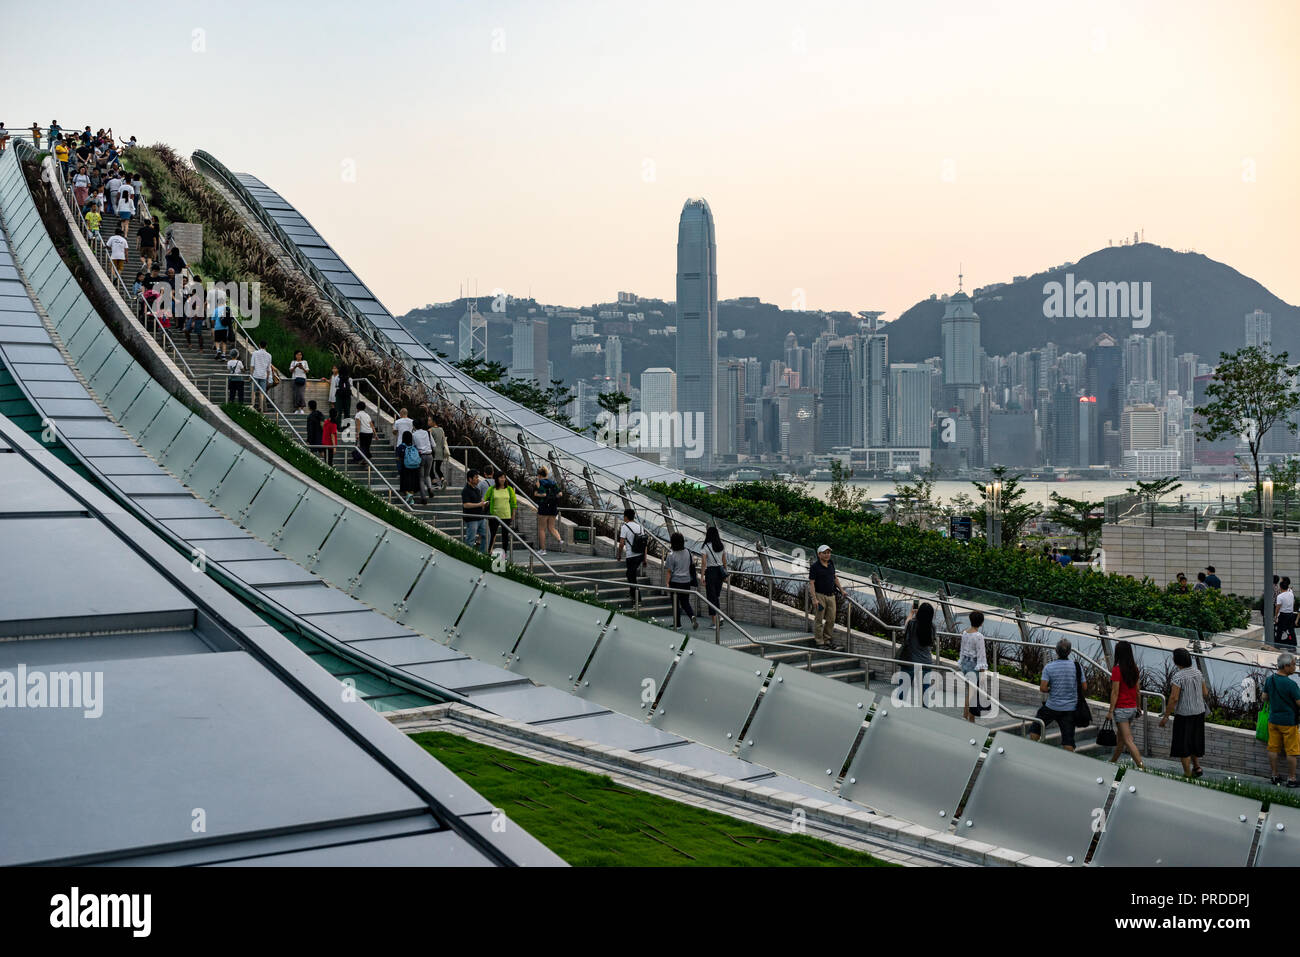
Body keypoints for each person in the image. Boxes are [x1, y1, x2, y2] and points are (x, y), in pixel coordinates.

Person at [1158, 647, 1208, 777]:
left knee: (1183, 745)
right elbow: (1205, 692)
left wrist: (1165, 717)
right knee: (1194, 740)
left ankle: (1187, 774)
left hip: (1184, 715)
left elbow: (1174, 698)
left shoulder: (1178, 676)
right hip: (1199, 712)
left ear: (1177, 660)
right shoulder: (1198, 673)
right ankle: (1197, 767)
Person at [1029, 638, 1084, 750]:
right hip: (1070, 708)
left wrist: (1051, 689)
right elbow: (1084, 687)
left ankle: (1034, 750)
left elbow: (1043, 688)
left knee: (1035, 728)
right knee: (1068, 740)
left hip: (1052, 706)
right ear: (1069, 652)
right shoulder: (1077, 666)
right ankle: (1067, 763)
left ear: (1056, 651)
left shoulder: (1049, 667)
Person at [1107, 640, 1146, 769]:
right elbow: (1137, 691)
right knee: (1121, 739)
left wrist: (1110, 711)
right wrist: (1138, 707)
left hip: (1122, 710)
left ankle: (1141, 767)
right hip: (1132, 708)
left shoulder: (1117, 669)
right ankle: (1112, 762)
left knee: (1128, 740)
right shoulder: (1134, 669)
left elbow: (1115, 692)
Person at [1262, 653, 1300, 787]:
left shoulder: (1270, 680)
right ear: (1286, 666)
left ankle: (1274, 775)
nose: (1295, 667)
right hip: (1289, 722)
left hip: (1273, 720)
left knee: (1273, 749)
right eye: (1294, 664)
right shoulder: (1291, 684)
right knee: (1292, 751)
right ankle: (1291, 779)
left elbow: (1264, 697)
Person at [900, 601, 937, 707]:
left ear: (919, 612)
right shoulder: (932, 627)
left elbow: (905, 628)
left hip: (910, 661)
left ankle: (899, 712)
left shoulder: (912, 624)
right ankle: (923, 714)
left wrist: (911, 613)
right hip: (926, 662)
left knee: (903, 690)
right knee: (925, 691)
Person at [809, 545, 844, 650]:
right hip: (820, 596)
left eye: (829, 553)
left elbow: (834, 578)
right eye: (825, 553)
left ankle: (827, 640)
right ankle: (819, 642)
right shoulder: (815, 567)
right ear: (819, 554)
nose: (827, 555)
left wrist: (842, 590)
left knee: (831, 619)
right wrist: (814, 599)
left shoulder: (831, 563)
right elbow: (811, 583)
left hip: (831, 596)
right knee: (819, 619)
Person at [959, 610, 989, 722]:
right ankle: (968, 718)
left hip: (965, 664)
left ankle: (967, 716)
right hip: (974, 665)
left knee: (970, 692)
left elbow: (962, 650)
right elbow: (981, 654)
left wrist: (961, 663)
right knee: (972, 693)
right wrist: (982, 671)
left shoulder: (965, 633)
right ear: (981, 623)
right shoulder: (979, 636)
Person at [664, 532, 698, 630]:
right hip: (686, 581)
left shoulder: (671, 555)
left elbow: (669, 571)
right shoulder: (688, 552)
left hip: (675, 582)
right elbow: (691, 566)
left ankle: (677, 624)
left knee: (675, 603)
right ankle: (692, 616)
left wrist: (667, 583)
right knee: (685, 602)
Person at [616, 508, 647, 606]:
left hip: (631, 556)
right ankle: (632, 594)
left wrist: (619, 555)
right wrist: (645, 559)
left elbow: (621, 544)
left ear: (626, 517)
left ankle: (638, 600)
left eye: (624, 516)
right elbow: (644, 544)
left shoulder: (625, 527)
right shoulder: (640, 527)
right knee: (631, 575)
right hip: (640, 556)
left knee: (631, 576)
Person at [485, 470, 517, 553]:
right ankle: (489, 550)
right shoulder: (491, 489)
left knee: (505, 536)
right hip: (494, 515)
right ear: (496, 478)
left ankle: (504, 553)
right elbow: (485, 499)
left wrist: (513, 514)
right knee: (492, 534)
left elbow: (513, 503)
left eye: (504, 477)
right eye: (501, 477)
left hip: (506, 515)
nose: (503, 479)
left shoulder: (509, 489)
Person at [702, 526, 727, 630]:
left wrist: (702, 575)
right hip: (720, 572)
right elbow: (724, 560)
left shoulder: (706, 547)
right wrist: (725, 572)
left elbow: (704, 562)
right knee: (715, 596)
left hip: (711, 572)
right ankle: (718, 618)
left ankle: (716, 620)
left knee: (711, 597)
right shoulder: (721, 545)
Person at [534, 465, 562, 554]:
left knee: (542, 529)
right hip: (553, 506)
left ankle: (543, 550)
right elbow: (560, 494)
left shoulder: (539, 483)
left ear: (539, 475)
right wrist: (553, 497)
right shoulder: (553, 482)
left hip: (544, 507)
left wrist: (537, 492)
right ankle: (560, 539)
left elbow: (542, 494)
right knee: (551, 527)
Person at [461, 469, 488, 554]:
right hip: (472, 519)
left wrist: (483, 502)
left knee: (486, 535)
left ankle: (483, 554)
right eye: (476, 477)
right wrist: (479, 505)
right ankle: (469, 556)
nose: (478, 479)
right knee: (471, 539)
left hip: (481, 517)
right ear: (470, 479)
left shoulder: (477, 489)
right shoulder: (465, 490)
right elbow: (466, 505)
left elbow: (479, 501)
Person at [412, 418, 433, 504]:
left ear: (414, 426)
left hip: (420, 456)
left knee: (420, 478)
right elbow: (433, 444)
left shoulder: (413, 435)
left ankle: (423, 497)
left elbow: (413, 446)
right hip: (429, 455)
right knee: (427, 475)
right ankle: (430, 488)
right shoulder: (427, 433)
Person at [396, 430, 421, 503]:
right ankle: (411, 497)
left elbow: (398, 458)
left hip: (405, 467)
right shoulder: (414, 447)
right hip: (415, 467)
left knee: (404, 483)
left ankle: (408, 495)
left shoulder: (401, 447)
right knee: (413, 483)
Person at [249, 341, 273, 411]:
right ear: (266, 346)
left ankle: (252, 406)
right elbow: (268, 368)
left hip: (255, 375)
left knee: (253, 391)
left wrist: (251, 375)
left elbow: (252, 366)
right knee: (262, 393)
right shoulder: (269, 355)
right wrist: (268, 378)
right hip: (264, 376)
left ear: (259, 345)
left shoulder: (255, 353)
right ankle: (261, 407)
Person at [429, 416, 448, 489]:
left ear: (433, 422)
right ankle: (442, 479)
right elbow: (443, 441)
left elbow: (429, 441)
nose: (428, 422)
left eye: (429, 420)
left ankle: (434, 482)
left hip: (433, 451)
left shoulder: (430, 430)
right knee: (437, 468)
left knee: (430, 468)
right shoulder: (441, 429)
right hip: (440, 451)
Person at [1276, 577, 1297, 646]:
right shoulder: (1291, 594)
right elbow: (1293, 602)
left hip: (1283, 615)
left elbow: (1278, 607)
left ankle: (1278, 643)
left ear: (1280, 587)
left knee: (1280, 629)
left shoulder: (1280, 596)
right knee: (1291, 629)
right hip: (1291, 614)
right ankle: (1293, 642)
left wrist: (1275, 616)